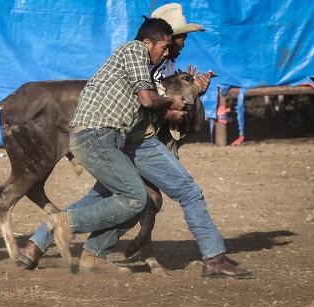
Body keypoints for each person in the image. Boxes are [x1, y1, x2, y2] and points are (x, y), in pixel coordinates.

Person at [19, 3, 252, 278]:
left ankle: (45, 244)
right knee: (173, 194)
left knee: (111, 196)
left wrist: (189, 95)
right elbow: (149, 101)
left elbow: (158, 106)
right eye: (179, 39)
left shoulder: (162, 63)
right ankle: (213, 259)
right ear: (161, 38)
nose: (180, 45)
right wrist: (176, 103)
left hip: (124, 137)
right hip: (133, 139)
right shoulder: (141, 55)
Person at [41, 17, 185, 269]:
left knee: (143, 198)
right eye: (163, 47)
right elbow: (148, 100)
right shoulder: (134, 50)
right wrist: (172, 101)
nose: (165, 53)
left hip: (106, 138)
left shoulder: (139, 65)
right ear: (148, 42)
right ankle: (65, 222)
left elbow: (145, 105)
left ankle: (93, 256)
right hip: (97, 135)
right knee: (135, 198)